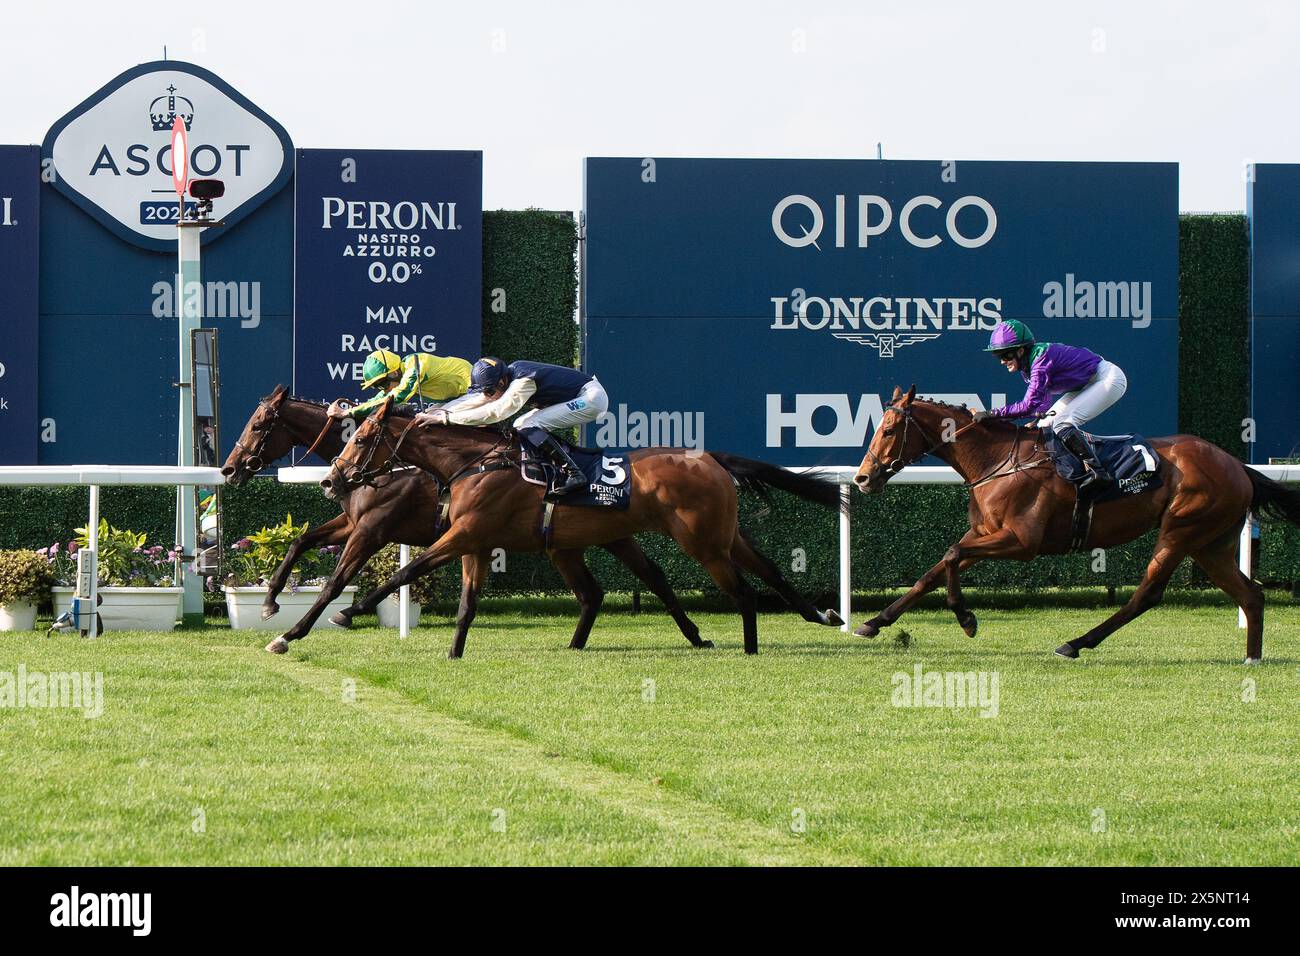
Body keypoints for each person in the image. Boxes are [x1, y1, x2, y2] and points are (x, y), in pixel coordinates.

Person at [973, 319, 1128, 490]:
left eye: (1006, 354)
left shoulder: (1040, 360)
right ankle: (1063, 473)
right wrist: (1036, 421)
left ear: (1021, 350)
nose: (1002, 361)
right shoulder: (1028, 366)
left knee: (1063, 423)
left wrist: (991, 414)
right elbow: (1041, 405)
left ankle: (1098, 473)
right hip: (1087, 384)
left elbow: (1028, 405)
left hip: (1108, 379)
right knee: (1044, 424)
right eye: (998, 356)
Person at [417, 357, 608, 495]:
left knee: (531, 423)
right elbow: (477, 400)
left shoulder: (523, 381)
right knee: (521, 424)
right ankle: (557, 467)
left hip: (591, 398)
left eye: (490, 391)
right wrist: (441, 411)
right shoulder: (505, 377)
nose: (488, 395)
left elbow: (497, 412)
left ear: (501, 381)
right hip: (581, 395)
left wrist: (446, 419)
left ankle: (574, 472)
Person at [326, 349, 472, 421]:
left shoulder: (416, 365)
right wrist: (354, 409)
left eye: (382, 383)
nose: (382, 389)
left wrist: (348, 413)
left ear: (394, 373)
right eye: (377, 386)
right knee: (426, 419)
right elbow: (380, 398)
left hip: (474, 391)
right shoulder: (399, 375)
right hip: (456, 398)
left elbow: (397, 397)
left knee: (432, 418)